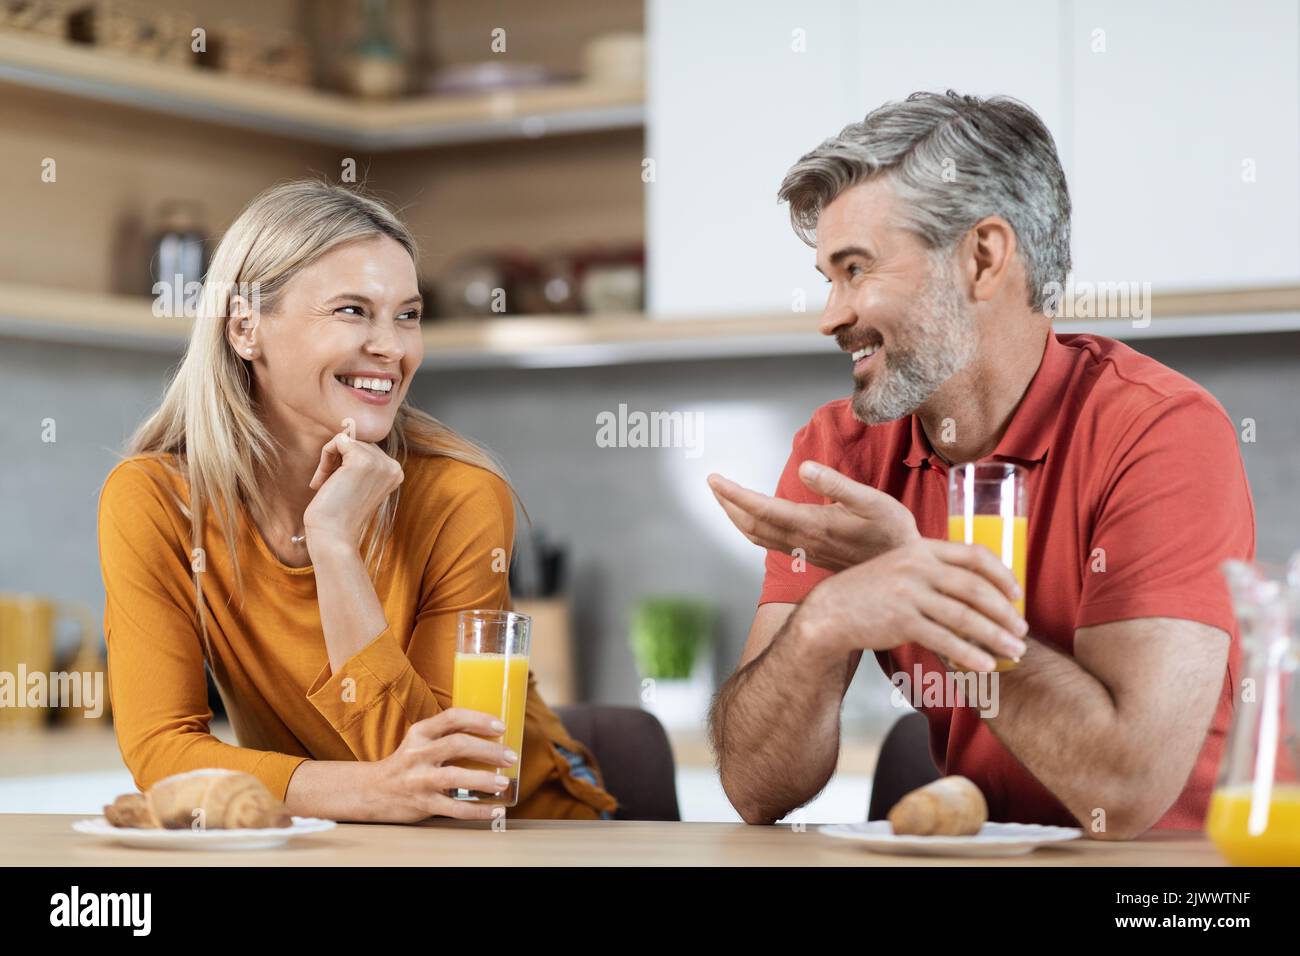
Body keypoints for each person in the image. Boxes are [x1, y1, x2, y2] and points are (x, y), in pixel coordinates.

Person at [706, 92, 1253, 840]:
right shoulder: (842, 455)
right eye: (827, 277)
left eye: (856, 269)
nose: (830, 315)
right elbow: (754, 789)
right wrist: (822, 622)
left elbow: (1120, 791)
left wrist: (915, 577)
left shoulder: (1160, 433)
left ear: (983, 258)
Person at [98, 180, 617, 822]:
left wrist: (336, 546)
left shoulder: (460, 495)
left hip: (529, 838)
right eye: (352, 311)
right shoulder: (156, 500)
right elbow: (162, 751)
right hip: (342, 839)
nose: (393, 348)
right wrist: (366, 793)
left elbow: (449, 786)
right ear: (244, 327)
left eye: (407, 314)